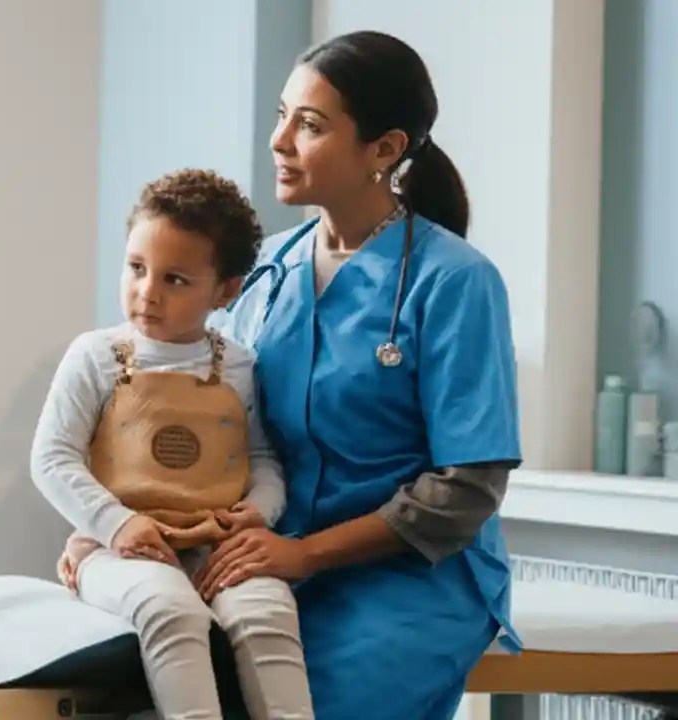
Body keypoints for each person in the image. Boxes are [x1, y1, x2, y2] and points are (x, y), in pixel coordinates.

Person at [195, 30, 523, 720]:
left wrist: (305, 554)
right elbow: (206, 426)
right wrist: (111, 522)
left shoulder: (455, 281)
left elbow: (465, 489)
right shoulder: (264, 273)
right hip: (272, 564)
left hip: (409, 581)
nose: (280, 140)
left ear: (385, 149)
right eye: (282, 115)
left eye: (310, 125)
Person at [32, 169, 314, 720]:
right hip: (119, 549)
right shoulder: (96, 356)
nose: (147, 293)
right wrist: (117, 524)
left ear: (226, 289)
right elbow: (52, 457)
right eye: (137, 269)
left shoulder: (237, 364)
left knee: (269, 611)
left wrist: (258, 513)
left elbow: (260, 457)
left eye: (175, 280)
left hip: (215, 541)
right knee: (171, 609)